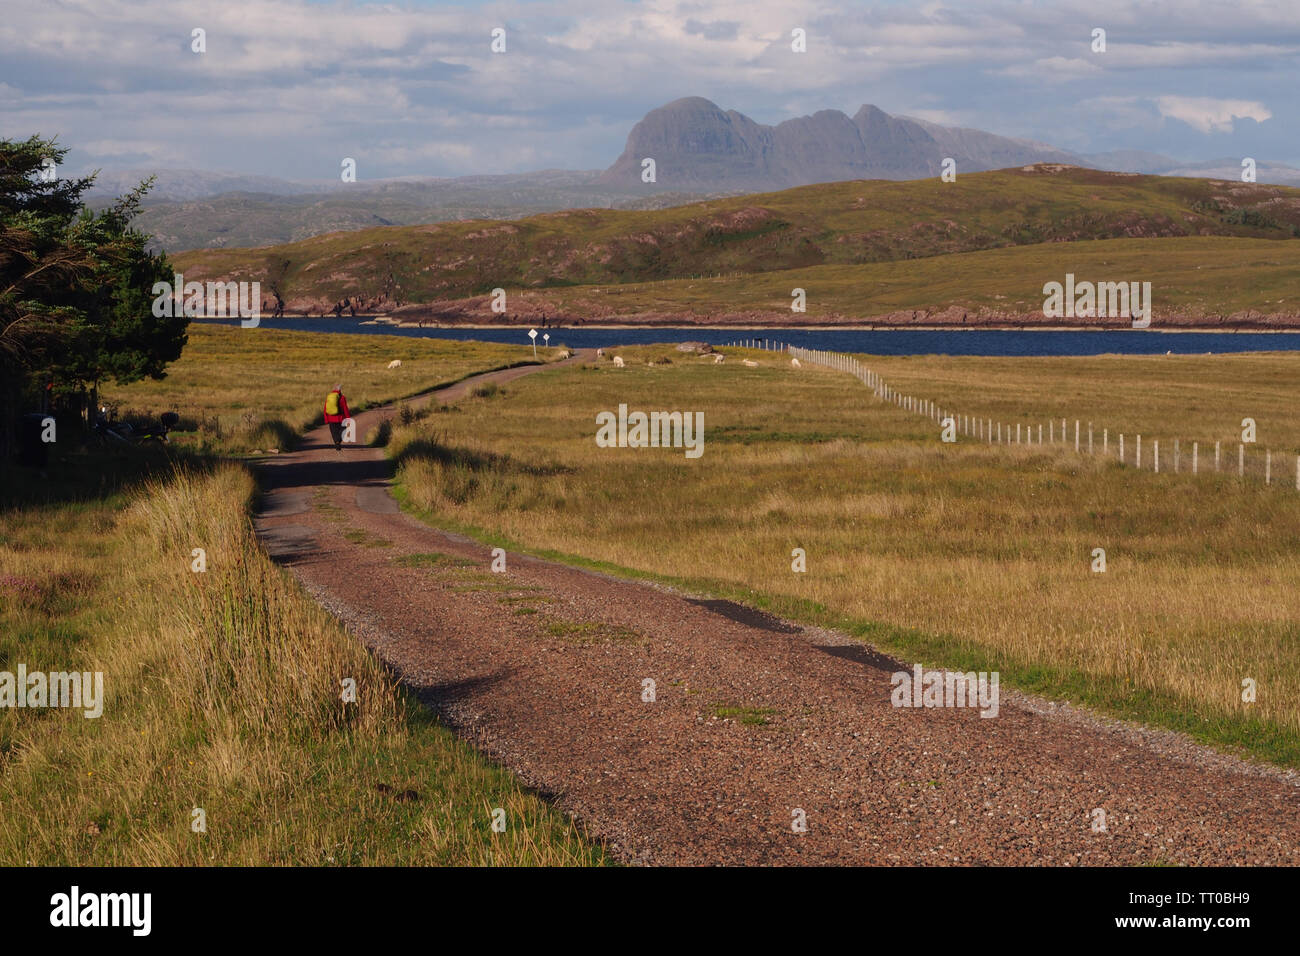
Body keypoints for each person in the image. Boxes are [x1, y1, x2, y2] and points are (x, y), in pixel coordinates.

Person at [323, 384, 351, 451]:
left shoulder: (329, 397)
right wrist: (348, 419)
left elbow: (325, 409)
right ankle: (338, 441)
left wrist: (326, 419)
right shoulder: (342, 397)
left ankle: (337, 442)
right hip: (340, 418)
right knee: (343, 430)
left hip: (331, 418)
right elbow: (345, 409)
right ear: (339, 390)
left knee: (334, 432)